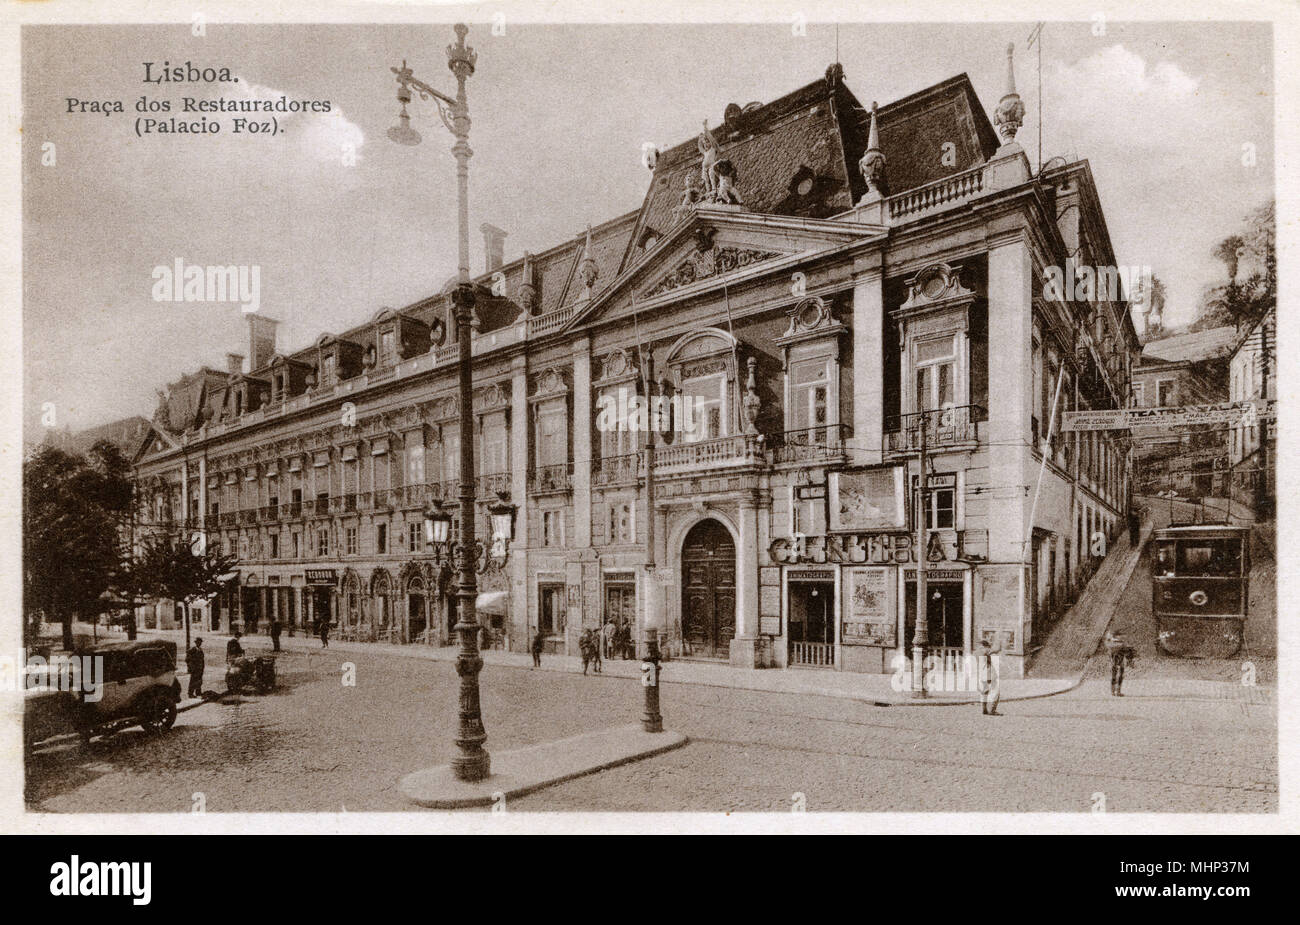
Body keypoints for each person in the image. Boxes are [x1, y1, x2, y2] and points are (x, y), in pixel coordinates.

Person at [1104, 630, 1135, 696]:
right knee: (1120, 676)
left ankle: (1113, 691)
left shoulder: (1110, 644)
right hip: (1120, 662)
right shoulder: (1122, 644)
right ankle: (1118, 691)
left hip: (1113, 662)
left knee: (1114, 676)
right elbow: (1128, 652)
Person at [976, 638, 1002, 715]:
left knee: (984, 691)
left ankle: (984, 709)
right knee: (996, 691)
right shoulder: (985, 651)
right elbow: (996, 650)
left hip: (981, 674)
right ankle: (992, 710)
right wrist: (1000, 642)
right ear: (985, 646)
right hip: (989, 674)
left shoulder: (977, 652)